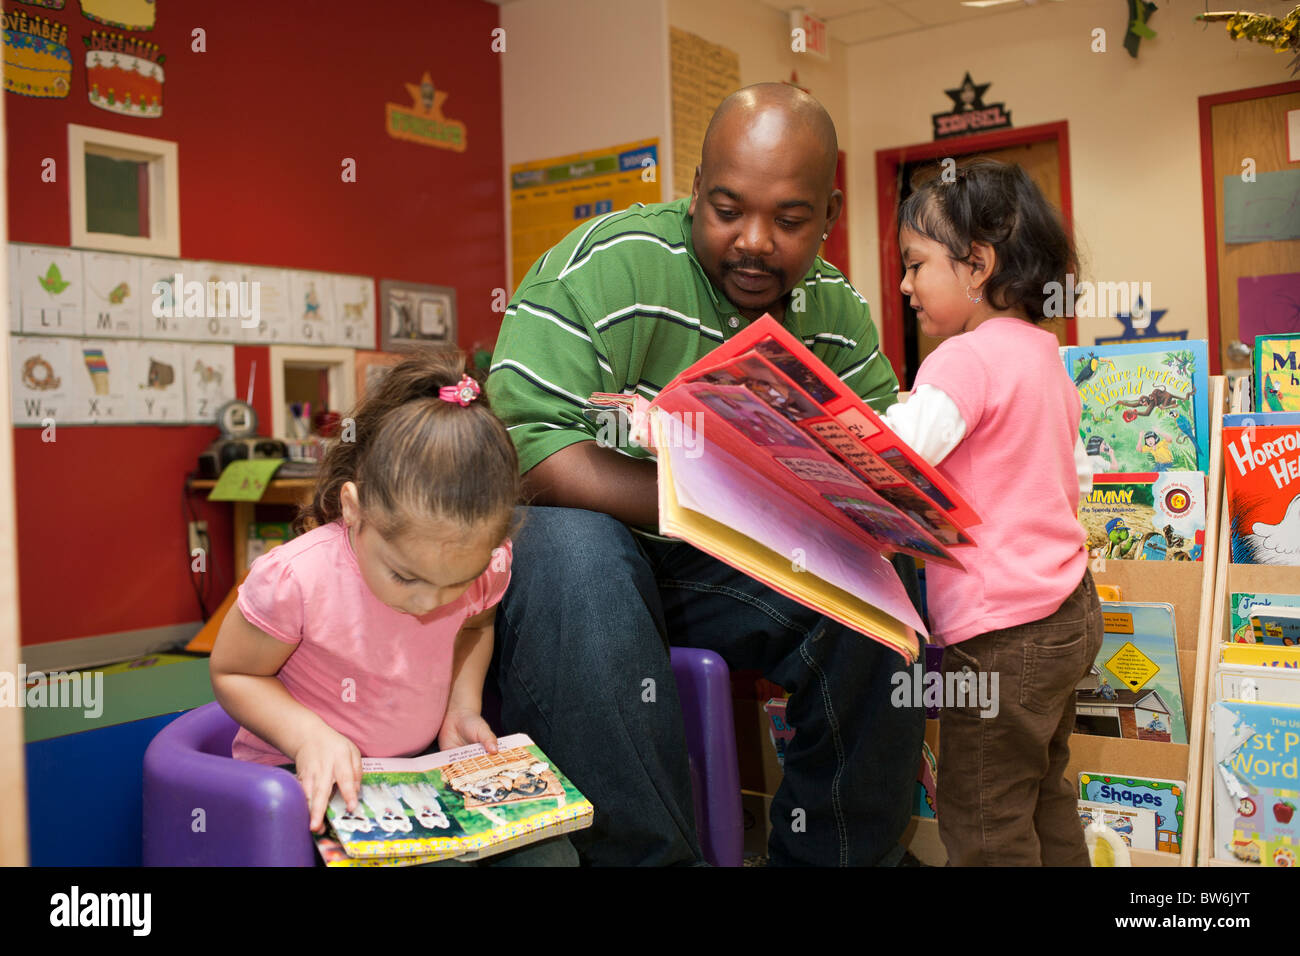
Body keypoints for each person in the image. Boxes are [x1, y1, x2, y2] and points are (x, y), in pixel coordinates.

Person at [487, 83, 924, 866]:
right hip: (586, 557)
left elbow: (881, 455)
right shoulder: (607, 268)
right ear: (693, 193)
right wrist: (714, 500)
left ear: (829, 215)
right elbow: (525, 449)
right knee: (577, 551)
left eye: (789, 220)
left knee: (881, 592)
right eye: (727, 210)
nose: (754, 241)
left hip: (714, 567)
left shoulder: (837, 311)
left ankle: (842, 854)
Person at [209, 350, 576, 866]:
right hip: (298, 779)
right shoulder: (297, 578)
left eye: (457, 582)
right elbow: (234, 673)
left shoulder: (487, 561)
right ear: (354, 509)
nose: (429, 603)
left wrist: (461, 707)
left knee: (549, 858)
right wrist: (311, 737)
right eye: (406, 576)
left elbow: (476, 624)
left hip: (414, 770)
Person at [882, 158, 1104, 866]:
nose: (905, 286)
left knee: (982, 818)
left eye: (916, 266)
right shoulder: (1045, 354)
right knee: (1042, 789)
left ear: (976, 265)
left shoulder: (960, 361)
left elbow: (900, 461)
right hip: (1068, 615)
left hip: (1001, 636)